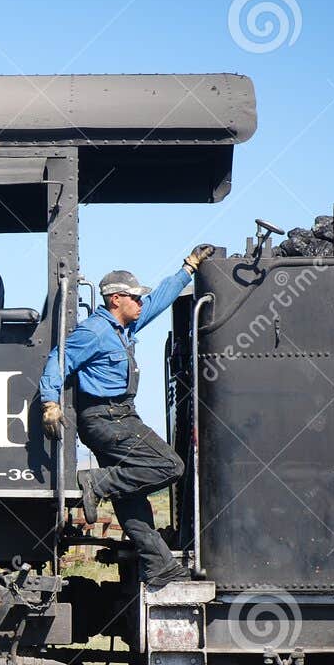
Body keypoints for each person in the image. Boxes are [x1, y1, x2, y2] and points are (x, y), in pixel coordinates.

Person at [38, 244, 216, 590]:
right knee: (170, 466)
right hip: (108, 419)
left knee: (132, 501)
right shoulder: (96, 331)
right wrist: (49, 402)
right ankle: (96, 482)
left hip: (115, 417)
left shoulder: (124, 329)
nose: (140, 303)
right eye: (134, 297)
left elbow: (159, 301)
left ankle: (160, 567)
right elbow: (59, 358)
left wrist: (187, 268)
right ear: (116, 298)